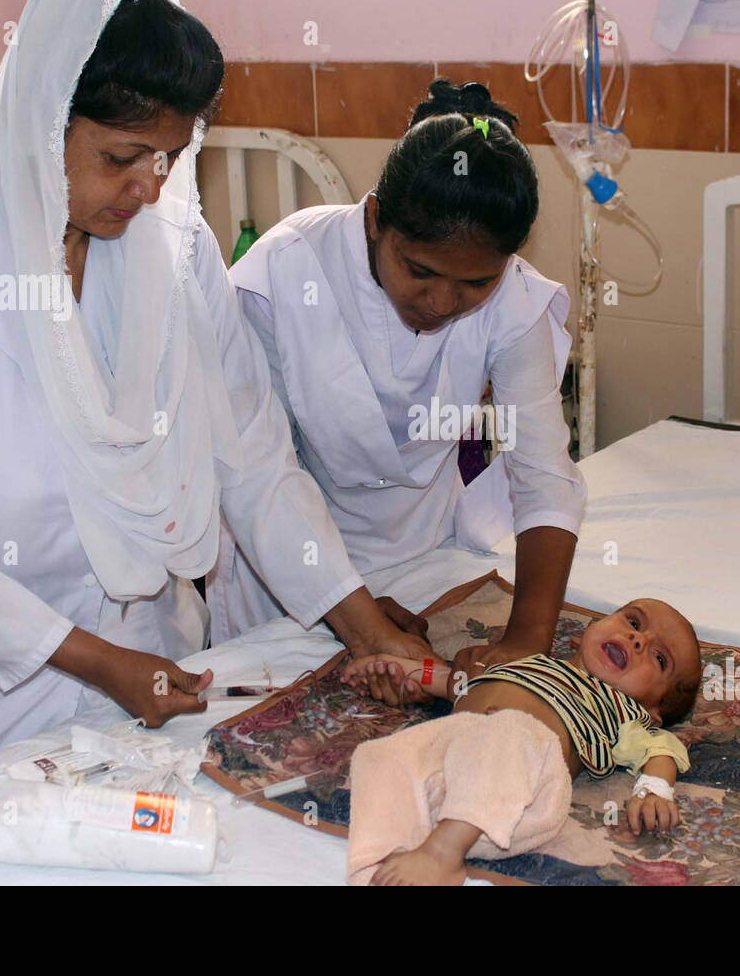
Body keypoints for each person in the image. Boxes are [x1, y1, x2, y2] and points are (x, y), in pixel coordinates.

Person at [0, 0, 423, 819]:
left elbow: (251, 458)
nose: (150, 188)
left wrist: (365, 627)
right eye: (120, 157)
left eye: (169, 158)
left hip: (139, 686)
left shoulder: (171, 252)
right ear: (40, 119)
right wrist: (104, 663)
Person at [210, 79, 587, 687]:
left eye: (474, 285)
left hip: (424, 562)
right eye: (420, 271)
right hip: (285, 576)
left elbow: (543, 470)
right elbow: (261, 474)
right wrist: (357, 620)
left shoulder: (513, 297)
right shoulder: (285, 272)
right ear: (378, 218)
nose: (441, 300)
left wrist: (526, 641)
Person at [341, 598, 703, 884]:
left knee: (508, 730)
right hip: (454, 771)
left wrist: (654, 789)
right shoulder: (527, 663)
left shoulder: (623, 711)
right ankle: (374, 867)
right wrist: (395, 668)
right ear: (587, 631)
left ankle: (442, 854)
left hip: (517, 801)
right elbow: (452, 681)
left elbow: (661, 747)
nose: (638, 639)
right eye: (634, 622)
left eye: (659, 658)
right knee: (380, 755)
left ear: (653, 708)